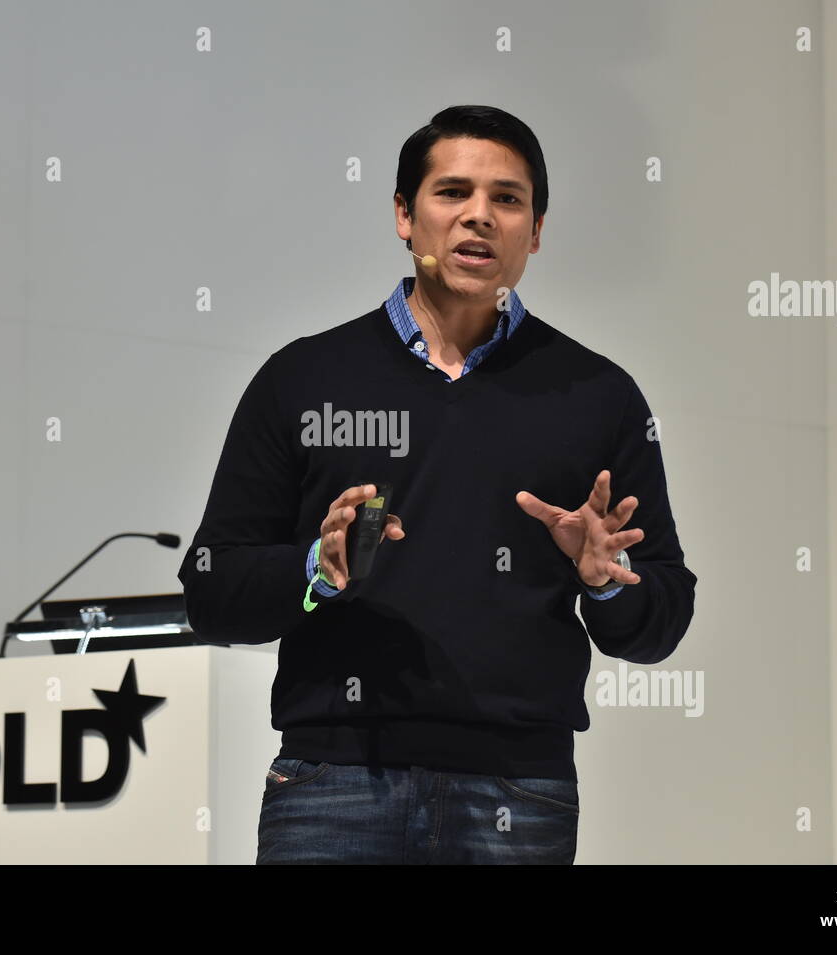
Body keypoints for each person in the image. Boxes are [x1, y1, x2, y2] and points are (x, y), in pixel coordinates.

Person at [178, 105, 697, 864]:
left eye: (507, 199)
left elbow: (665, 612)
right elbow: (210, 588)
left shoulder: (598, 395)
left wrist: (610, 582)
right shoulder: (304, 378)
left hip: (520, 797)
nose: (478, 217)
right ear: (404, 215)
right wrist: (315, 572)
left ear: (538, 229)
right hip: (334, 784)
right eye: (452, 192)